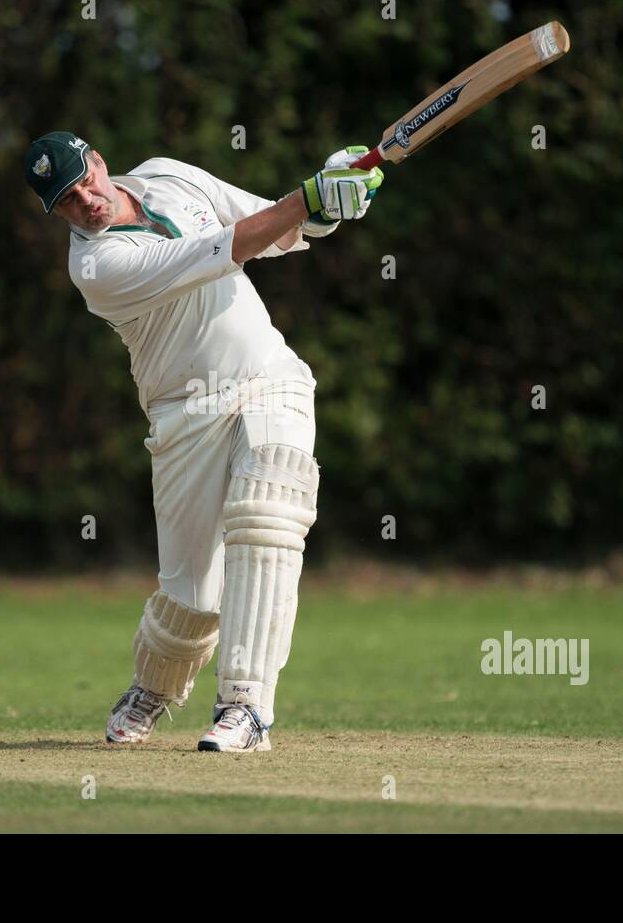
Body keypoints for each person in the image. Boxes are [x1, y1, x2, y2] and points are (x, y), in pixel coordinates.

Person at [25, 131, 383, 751]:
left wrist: (330, 204)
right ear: (56, 213)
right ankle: (155, 685)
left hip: (267, 375)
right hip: (184, 413)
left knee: (269, 514)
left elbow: (266, 223)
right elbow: (225, 248)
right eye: (66, 201)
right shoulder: (94, 266)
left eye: (85, 181)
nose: (86, 201)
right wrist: (309, 197)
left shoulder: (169, 173)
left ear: (100, 162)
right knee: (191, 598)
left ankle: (245, 708)